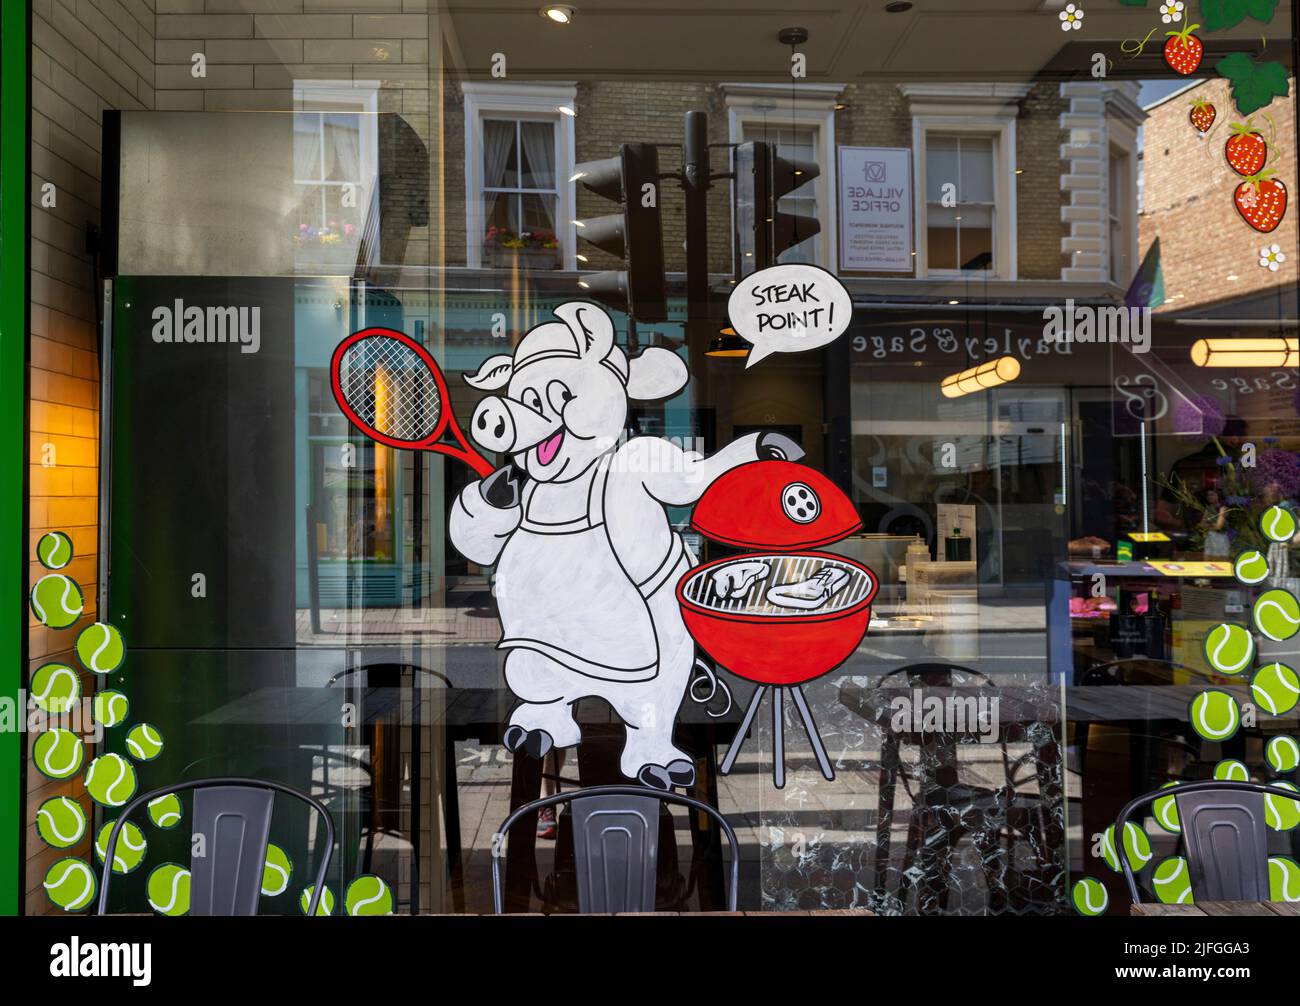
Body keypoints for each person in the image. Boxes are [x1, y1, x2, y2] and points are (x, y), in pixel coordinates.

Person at [1199, 487, 1230, 557]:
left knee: (1219, 559)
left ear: (1218, 495)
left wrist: (1208, 525)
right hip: (1209, 538)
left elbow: (1218, 526)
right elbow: (1202, 524)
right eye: (1208, 495)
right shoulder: (1208, 509)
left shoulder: (1223, 508)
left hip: (1220, 539)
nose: (1209, 497)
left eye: (1212, 494)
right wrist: (1212, 525)